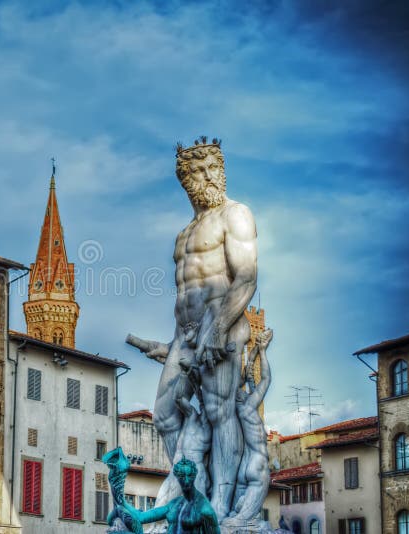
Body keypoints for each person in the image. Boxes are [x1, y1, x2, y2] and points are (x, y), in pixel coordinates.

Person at [129, 138, 257, 520]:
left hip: (222, 323)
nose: (207, 176)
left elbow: (247, 277)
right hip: (183, 334)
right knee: (164, 414)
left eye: (212, 168)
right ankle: (192, 484)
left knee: (220, 412)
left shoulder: (235, 214)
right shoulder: (184, 234)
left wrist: (219, 328)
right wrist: (168, 345)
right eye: (198, 171)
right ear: (186, 180)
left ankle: (219, 504)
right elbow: (187, 292)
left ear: (222, 170)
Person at [231, 329, 272, 520]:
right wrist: (262, 351)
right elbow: (266, 379)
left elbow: (251, 380)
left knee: (234, 514)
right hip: (257, 461)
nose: (245, 391)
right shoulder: (248, 406)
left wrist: (253, 353)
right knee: (243, 521)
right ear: (241, 396)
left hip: (243, 467)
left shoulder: (240, 411)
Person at [137, 457, 220, 534]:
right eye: (182, 476)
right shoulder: (174, 504)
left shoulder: (205, 509)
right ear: (177, 477)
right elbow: (141, 517)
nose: (186, 481)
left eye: (190, 476)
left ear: (194, 476)